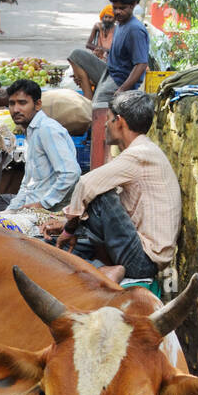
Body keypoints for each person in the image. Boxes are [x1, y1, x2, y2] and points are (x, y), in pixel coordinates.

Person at [44, 91, 181, 282]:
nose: (105, 124)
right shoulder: (144, 151)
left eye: (108, 119)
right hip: (141, 254)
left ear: (119, 121)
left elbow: (86, 183)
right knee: (100, 198)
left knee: (101, 196)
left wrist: (69, 228)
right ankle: (97, 258)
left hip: (142, 262)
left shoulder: (139, 154)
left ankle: (104, 268)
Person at [2, 79, 80, 235]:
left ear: (37, 105)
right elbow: (28, 182)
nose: (15, 109)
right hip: (31, 207)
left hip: (49, 213)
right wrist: (9, 211)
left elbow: (70, 173)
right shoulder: (31, 130)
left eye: (22, 103)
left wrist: (44, 203)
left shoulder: (47, 129)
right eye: (12, 103)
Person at [68, 0, 150, 107]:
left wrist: (122, 89)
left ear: (133, 5)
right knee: (76, 55)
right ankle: (89, 99)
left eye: (122, 8)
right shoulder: (120, 25)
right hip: (108, 71)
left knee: (96, 111)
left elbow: (141, 64)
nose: (117, 12)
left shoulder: (135, 30)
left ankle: (92, 106)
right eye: (115, 8)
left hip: (119, 80)